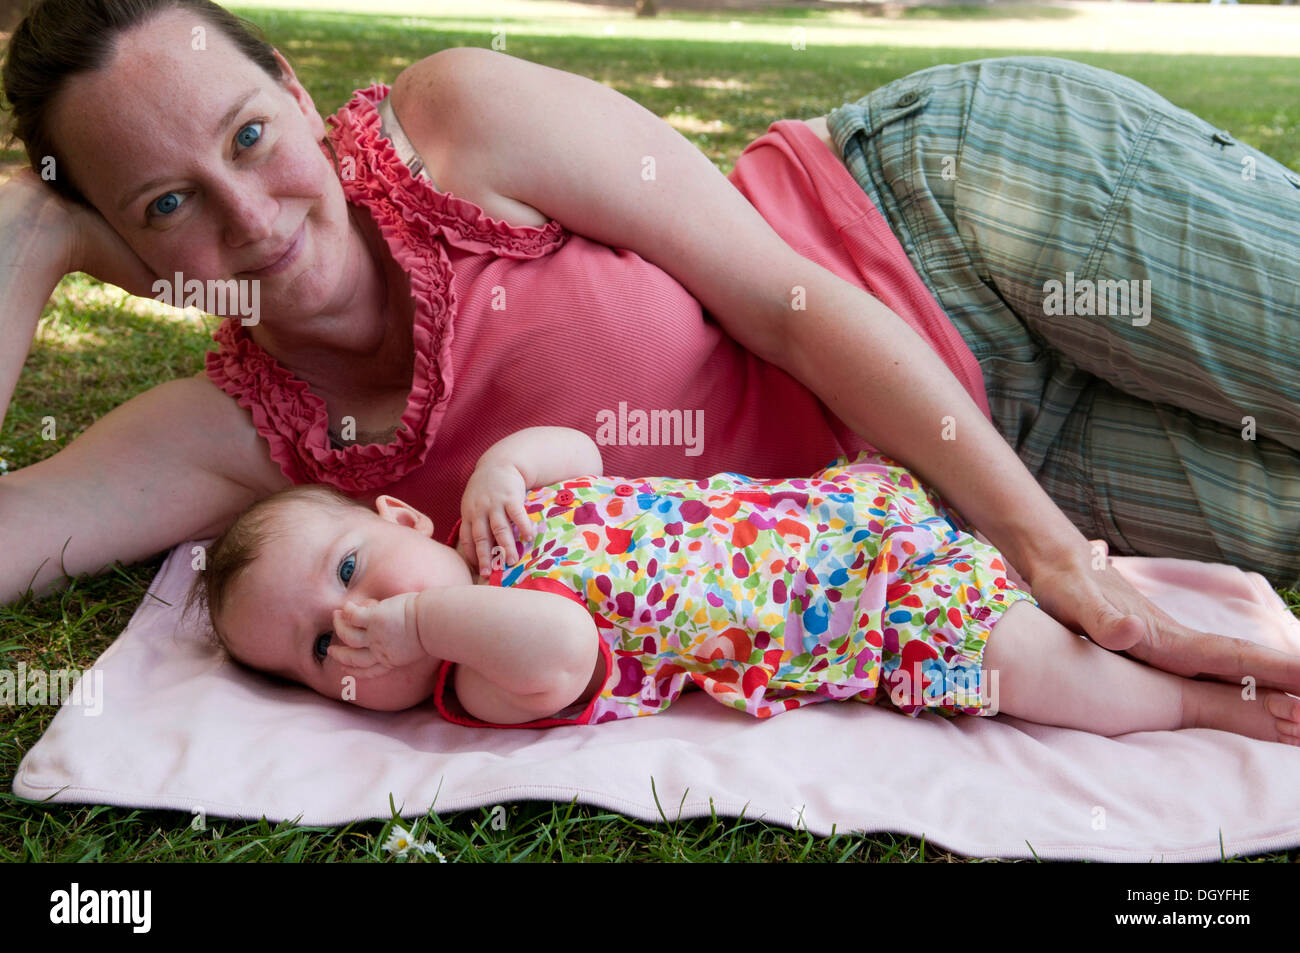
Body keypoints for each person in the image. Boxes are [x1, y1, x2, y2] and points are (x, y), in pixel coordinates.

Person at [2, 0, 1299, 697]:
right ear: (126, 243)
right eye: (165, 204)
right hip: (957, 488)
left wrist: (1049, 556)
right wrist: (30, 237)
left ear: (291, 89)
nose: (248, 213)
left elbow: (784, 301)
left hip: (949, 225)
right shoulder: (236, 432)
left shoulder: (457, 126)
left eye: (245, 136)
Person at [186, 425, 1300, 745]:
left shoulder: (497, 518)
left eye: (349, 574)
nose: (359, 621)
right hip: (873, 624)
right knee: (1058, 681)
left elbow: (575, 447)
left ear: (400, 518)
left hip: (847, 514)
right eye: (321, 650)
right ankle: (1203, 693)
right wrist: (426, 617)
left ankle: (1187, 642)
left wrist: (503, 462)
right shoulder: (472, 677)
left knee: (1063, 613)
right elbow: (562, 649)